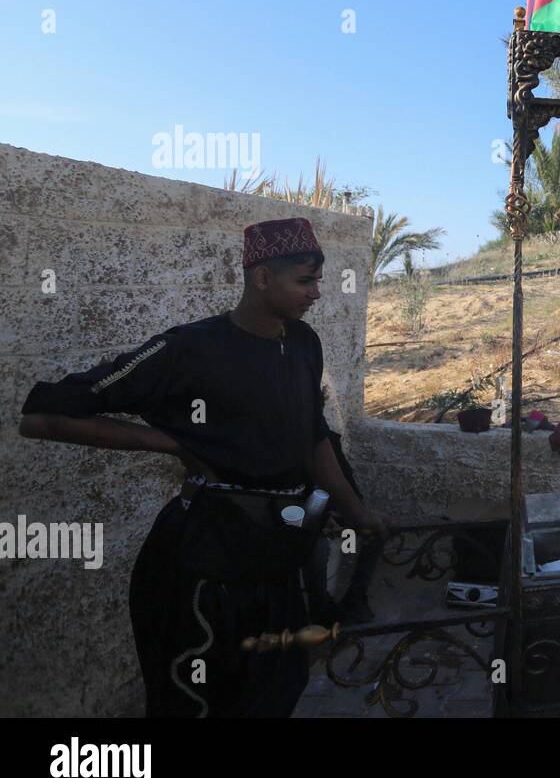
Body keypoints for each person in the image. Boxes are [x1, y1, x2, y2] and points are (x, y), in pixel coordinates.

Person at [19, 217, 390, 717]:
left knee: (274, 692)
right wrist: (169, 442)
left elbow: (313, 436)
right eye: (304, 281)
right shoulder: (188, 348)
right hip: (202, 570)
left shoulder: (303, 344)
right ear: (261, 278)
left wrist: (355, 511)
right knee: (197, 700)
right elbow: (42, 418)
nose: (317, 293)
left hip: (278, 561)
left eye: (318, 280)